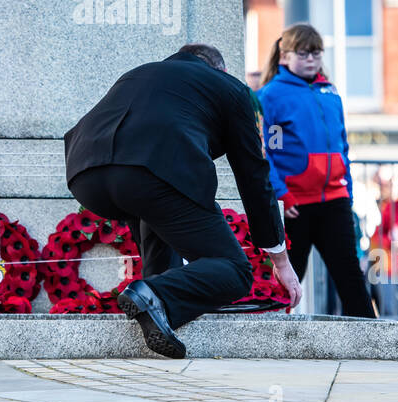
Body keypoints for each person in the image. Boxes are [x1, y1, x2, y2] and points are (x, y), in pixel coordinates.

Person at [64, 43, 303, 358]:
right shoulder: (229, 88)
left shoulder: (138, 75)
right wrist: (281, 261)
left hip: (86, 175)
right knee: (234, 270)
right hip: (152, 170)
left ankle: (156, 307)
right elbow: (254, 177)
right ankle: (155, 294)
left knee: (153, 211)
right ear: (220, 70)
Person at [255, 24, 373, 318]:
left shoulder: (330, 93)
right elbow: (265, 152)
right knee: (287, 277)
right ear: (284, 56)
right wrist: (281, 194)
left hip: (335, 198)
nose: (311, 58)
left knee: (349, 273)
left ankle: (370, 336)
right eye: (303, 53)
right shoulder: (270, 96)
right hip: (295, 205)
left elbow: (342, 145)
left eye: (316, 52)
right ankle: (271, 335)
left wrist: (348, 190)